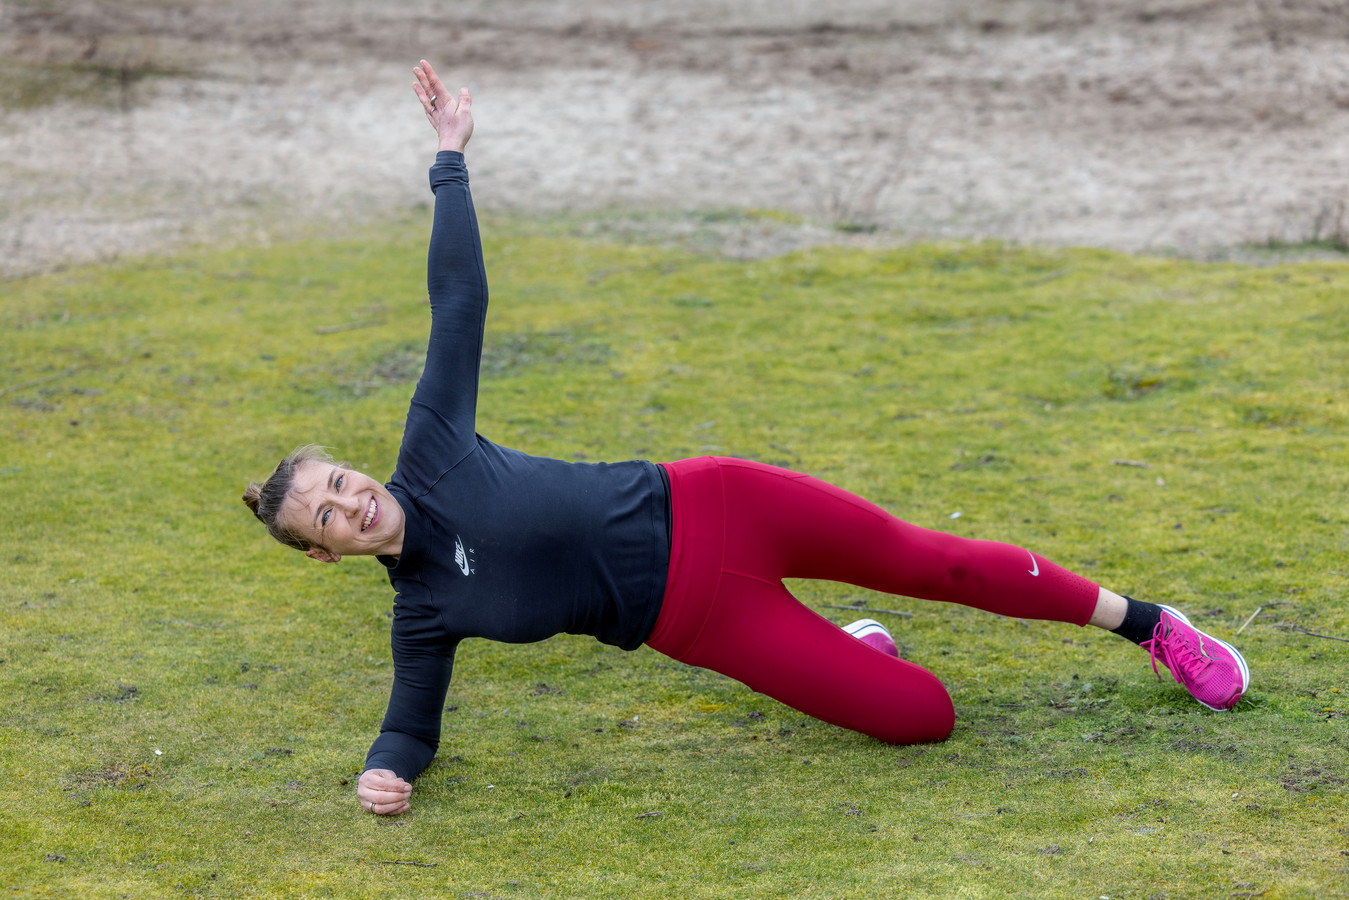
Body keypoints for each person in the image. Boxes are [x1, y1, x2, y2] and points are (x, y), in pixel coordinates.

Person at [242, 60, 1251, 817]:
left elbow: (457, 301)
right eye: (326, 516)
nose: (352, 502)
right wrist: (385, 771)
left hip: (716, 503)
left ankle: (1149, 626)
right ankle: (852, 648)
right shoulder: (422, 613)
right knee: (922, 719)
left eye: (340, 481)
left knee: (931, 562)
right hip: (698, 622)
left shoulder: (431, 449)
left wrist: (450, 160)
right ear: (325, 552)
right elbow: (410, 724)